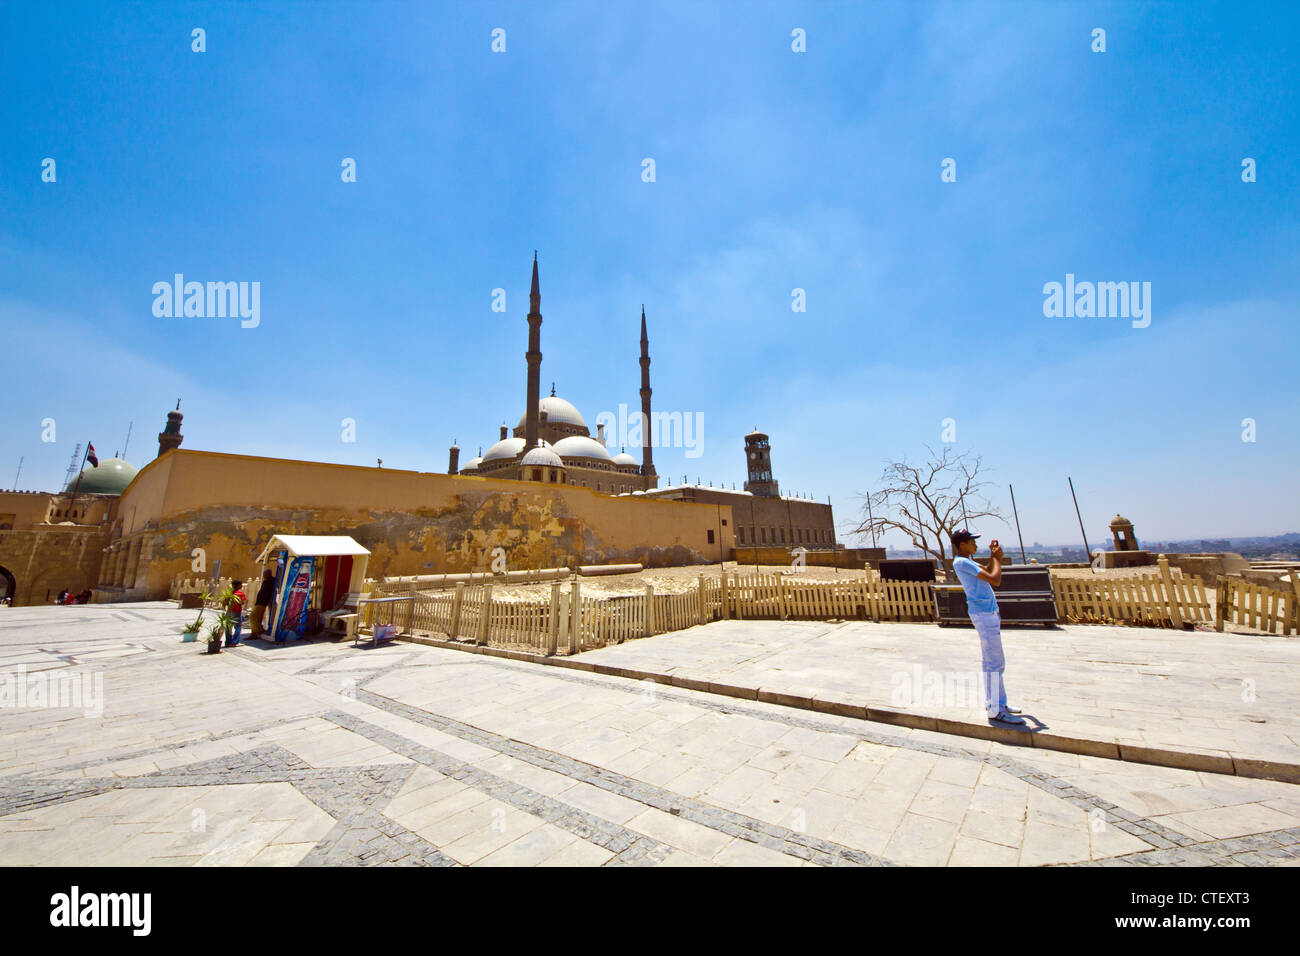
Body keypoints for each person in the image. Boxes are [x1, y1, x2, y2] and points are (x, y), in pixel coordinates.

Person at [951, 529, 1025, 726]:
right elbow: (995, 579)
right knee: (994, 662)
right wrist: (998, 559)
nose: (975, 545)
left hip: (986, 613)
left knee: (993, 661)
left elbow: (988, 570)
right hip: (983, 614)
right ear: (962, 545)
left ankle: (998, 703)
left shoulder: (967, 562)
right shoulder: (962, 562)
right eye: (971, 541)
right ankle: (995, 709)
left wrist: (994, 556)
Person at [249, 569, 275, 639]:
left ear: (269, 574)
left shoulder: (271, 581)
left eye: (265, 574)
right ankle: (254, 633)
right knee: (257, 618)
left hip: (263, 602)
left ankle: (259, 631)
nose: (263, 576)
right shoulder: (266, 581)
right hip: (260, 601)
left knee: (252, 617)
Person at [225, 580, 247, 647]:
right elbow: (242, 602)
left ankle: (228, 642)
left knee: (228, 628)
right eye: (241, 584)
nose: (242, 586)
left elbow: (226, 603)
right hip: (237, 612)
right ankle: (234, 642)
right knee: (238, 627)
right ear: (238, 585)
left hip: (229, 612)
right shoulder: (240, 594)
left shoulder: (229, 594)